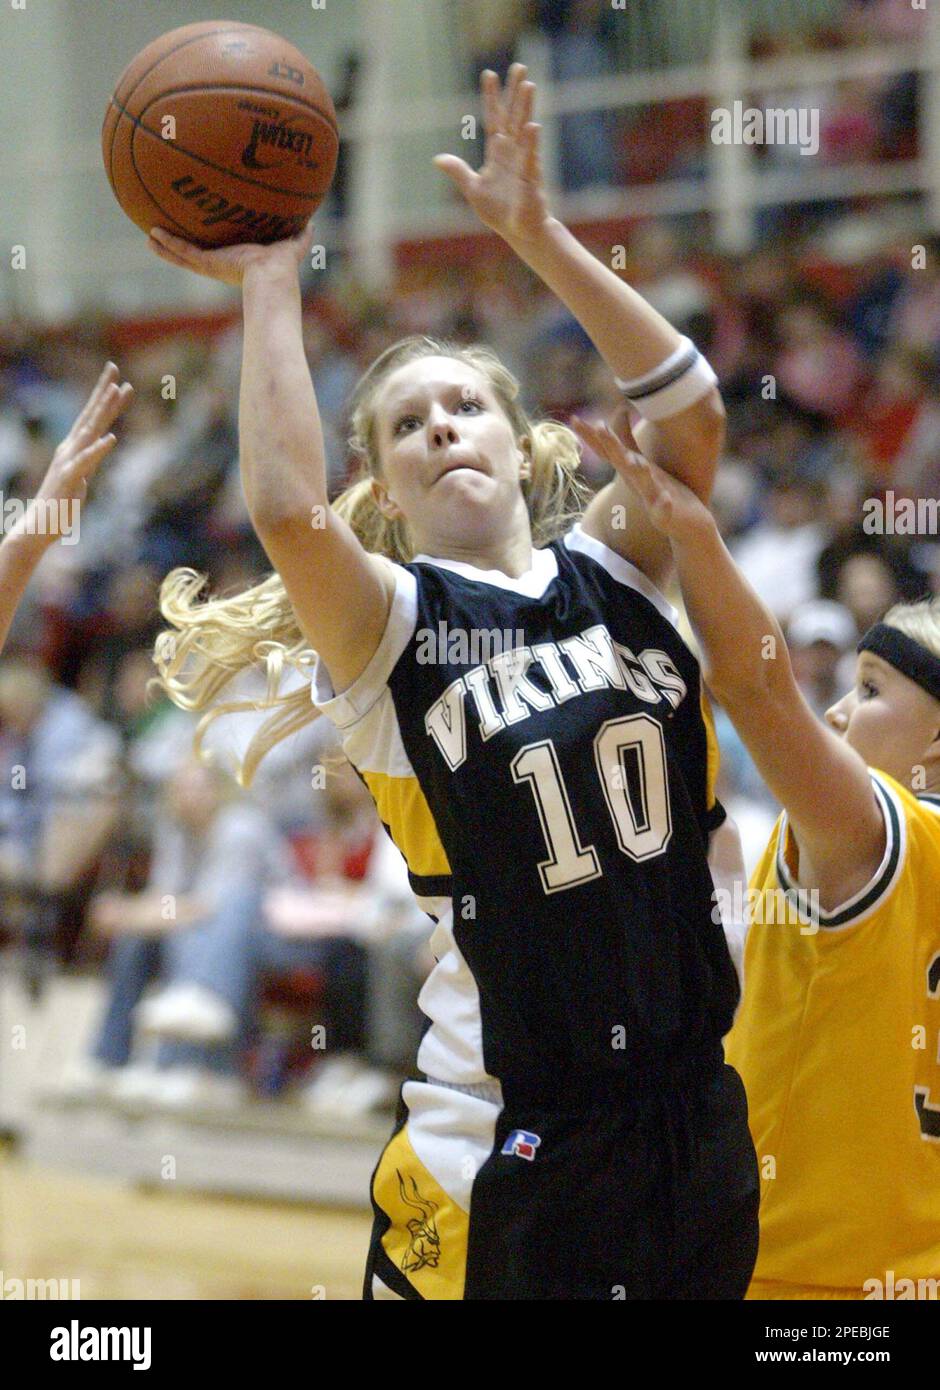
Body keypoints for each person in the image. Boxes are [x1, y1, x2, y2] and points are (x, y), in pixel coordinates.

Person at [147, 64, 757, 1301]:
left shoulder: (622, 568)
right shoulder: (393, 630)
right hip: (507, 1132)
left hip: (695, 1116)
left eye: (466, 404)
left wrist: (536, 235)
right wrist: (273, 284)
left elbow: (691, 416)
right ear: (381, 482)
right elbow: (282, 509)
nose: (442, 426)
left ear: (516, 438)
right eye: (407, 423)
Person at [573, 415, 940, 1299]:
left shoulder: (881, 831)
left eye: (870, 690)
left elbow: (754, 683)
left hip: (796, 1278)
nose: (842, 714)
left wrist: (695, 536)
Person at [0, 362, 133, 656]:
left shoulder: (90, 496)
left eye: (38, 435)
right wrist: (26, 546)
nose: (34, 449)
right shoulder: (10, 496)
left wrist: (27, 546)